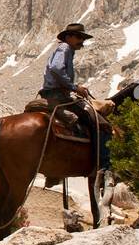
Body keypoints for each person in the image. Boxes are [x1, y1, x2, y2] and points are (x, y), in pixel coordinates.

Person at [38, 22, 110, 170]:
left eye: (83, 38)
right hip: (59, 96)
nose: (81, 41)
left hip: (53, 94)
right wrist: (74, 87)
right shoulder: (65, 48)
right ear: (68, 37)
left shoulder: (66, 50)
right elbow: (56, 68)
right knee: (97, 122)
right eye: (79, 37)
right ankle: (103, 165)